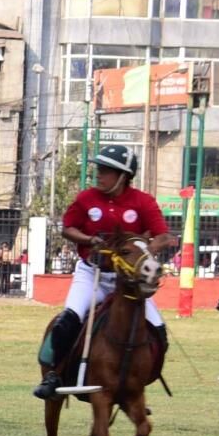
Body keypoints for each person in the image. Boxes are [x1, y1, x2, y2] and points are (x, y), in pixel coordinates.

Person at [33, 144, 175, 399]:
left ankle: (139, 381)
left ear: (123, 176)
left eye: (106, 171)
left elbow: (163, 236)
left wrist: (144, 250)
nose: (99, 175)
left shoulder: (143, 201)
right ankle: (54, 373)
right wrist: (89, 240)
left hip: (128, 281)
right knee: (68, 320)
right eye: (99, 169)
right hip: (92, 274)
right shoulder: (87, 198)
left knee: (158, 329)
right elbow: (68, 228)